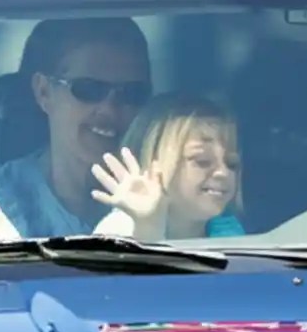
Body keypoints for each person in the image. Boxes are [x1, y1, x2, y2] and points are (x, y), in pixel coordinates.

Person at [0, 17, 153, 245]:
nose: (109, 109)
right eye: (89, 89)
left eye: (131, 93)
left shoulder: (167, 195)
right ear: (44, 92)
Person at [90, 93, 245, 240]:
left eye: (232, 163)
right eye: (202, 161)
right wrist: (148, 227)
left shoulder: (229, 231)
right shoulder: (118, 229)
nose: (223, 173)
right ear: (151, 165)